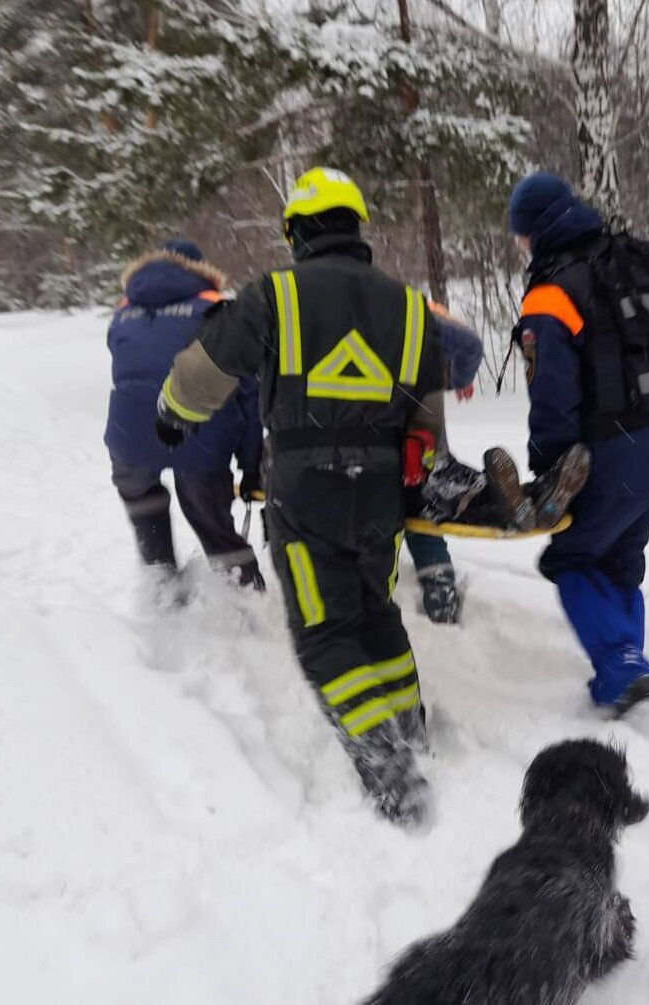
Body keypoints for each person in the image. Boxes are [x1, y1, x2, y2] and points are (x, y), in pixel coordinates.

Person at [153, 168, 521, 825]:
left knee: (324, 632)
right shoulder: (410, 308)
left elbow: (202, 372)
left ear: (296, 232)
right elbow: (426, 420)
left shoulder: (275, 295)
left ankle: (387, 770)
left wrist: (172, 411)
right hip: (379, 493)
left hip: (305, 491)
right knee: (374, 612)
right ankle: (409, 730)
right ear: (356, 229)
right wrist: (428, 470)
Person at [505, 172, 649, 715]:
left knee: (572, 558)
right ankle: (626, 657)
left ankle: (621, 664)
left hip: (607, 457)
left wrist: (553, 470)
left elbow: (552, 396)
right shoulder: (640, 257)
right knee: (623, 555)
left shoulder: (551, 294)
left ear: (536, 231)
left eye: (520, 235)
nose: (519, 245)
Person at [104, 239, 264, 592]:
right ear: (200, 270)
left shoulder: (123, 311)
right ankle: (246, 600)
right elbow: (249, 394)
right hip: (200, 433)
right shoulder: (218, 308)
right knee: (212, 524)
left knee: (145, 509)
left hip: (128, 438)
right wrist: (252, 466)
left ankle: (163, 591)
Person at [403, 308, 483, 624]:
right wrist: (459, 378)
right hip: (421, 433)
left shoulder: (317, 314)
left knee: (378, 511)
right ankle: (439, 588)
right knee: (424, 499)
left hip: (363, 435)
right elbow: (468, 344)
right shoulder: (404, 308)